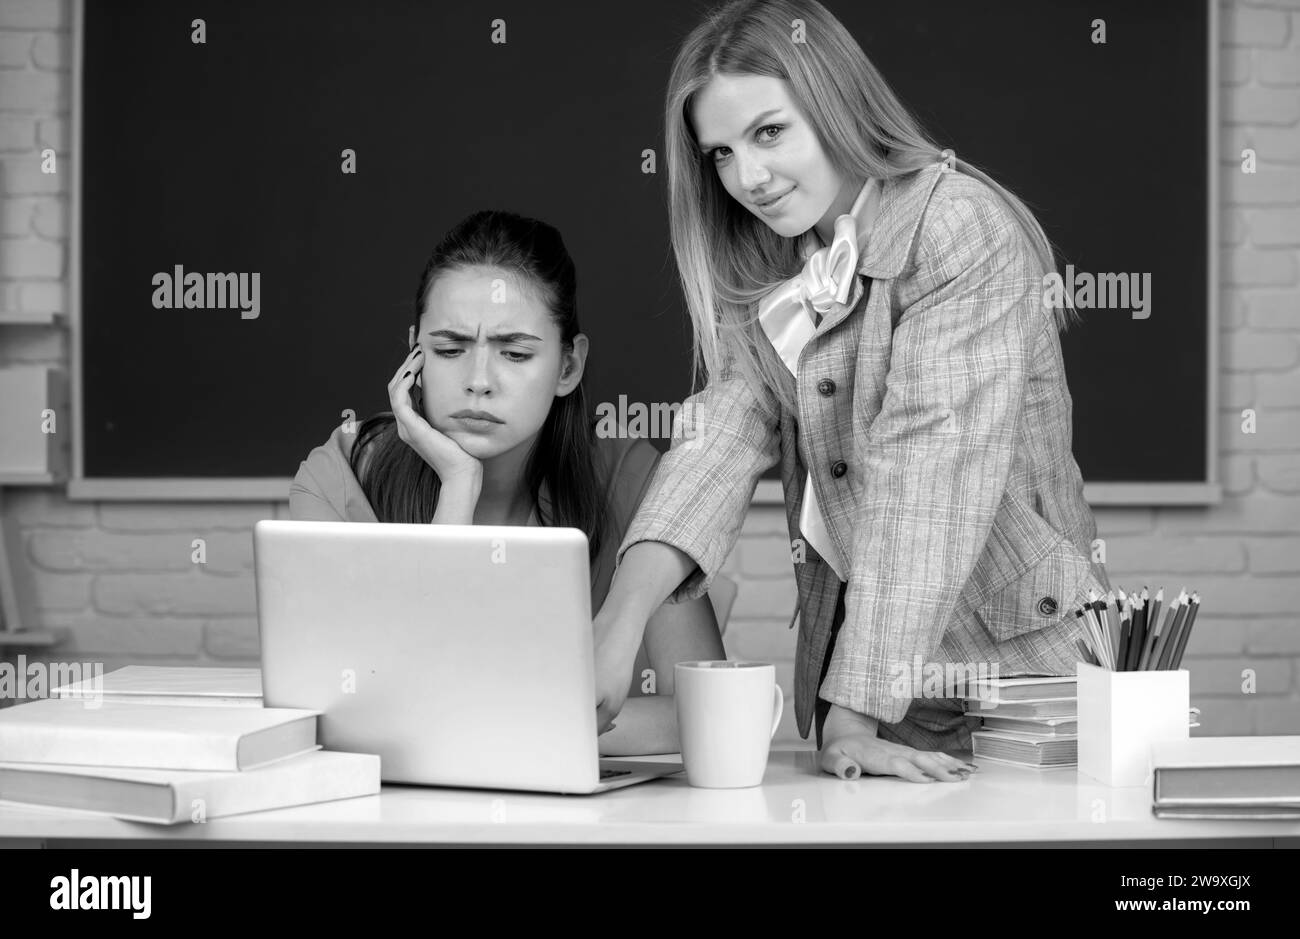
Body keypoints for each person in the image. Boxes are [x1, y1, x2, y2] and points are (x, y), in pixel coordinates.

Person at [593, 0, 1111, 782]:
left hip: (1020, 684)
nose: (749, 178)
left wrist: (855, 711)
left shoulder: (956, 226)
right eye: (720, 154)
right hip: (867, 695)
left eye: (769, 133)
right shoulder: (779, 263)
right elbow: (720, 442)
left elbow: (927, 480)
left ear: (834, 100)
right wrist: (616, 621)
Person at [289, 209, 724, 756]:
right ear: (413, 353)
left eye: (515, 354)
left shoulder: (631, 479)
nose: (477, 383)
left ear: (568, 367)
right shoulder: (339, 473)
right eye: (448, 350)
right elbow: (347, 710)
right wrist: (457, 487)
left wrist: (479, 726)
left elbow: (703, 712)